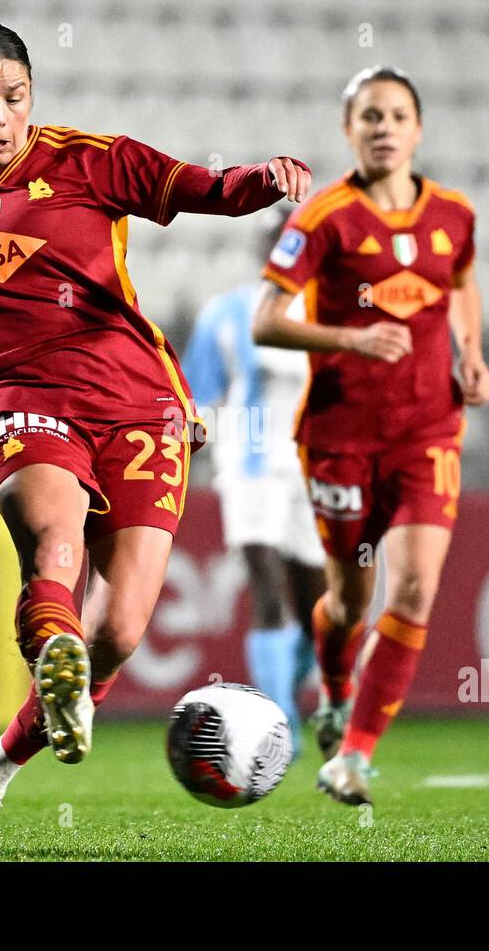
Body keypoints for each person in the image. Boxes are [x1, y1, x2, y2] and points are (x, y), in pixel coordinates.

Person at [0, 21, 311, 851]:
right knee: (52, 537)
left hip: (137, 405)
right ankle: (54, 652)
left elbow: (197, 186)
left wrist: (263, 181)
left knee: (121, 631)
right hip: (20, 399)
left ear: (32, 96)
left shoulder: (90, 161)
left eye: (14, 99)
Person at [252, 66, 489, 805]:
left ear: (419, 130)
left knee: (415, 588)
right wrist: (350, 342)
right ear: (348, 130)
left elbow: (460, 283)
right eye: (369, 116)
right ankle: (331, 684)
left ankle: (353, 754)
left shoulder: (454, 214)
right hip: (341, 436)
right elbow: (267, 318)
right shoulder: (324, 217)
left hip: (427, 430)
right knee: (351, 602)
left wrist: (471, 353)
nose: (384, 127)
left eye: (396, 115)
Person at [181, 212, 325, 750]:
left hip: (312, 469)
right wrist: (182, 457)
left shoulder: (328, 316)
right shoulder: (228, 313)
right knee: (266, 583)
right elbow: (195, 397)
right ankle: (279, 723)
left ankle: (315, 693)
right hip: (249, 464)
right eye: (275, 237)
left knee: (318, 607)